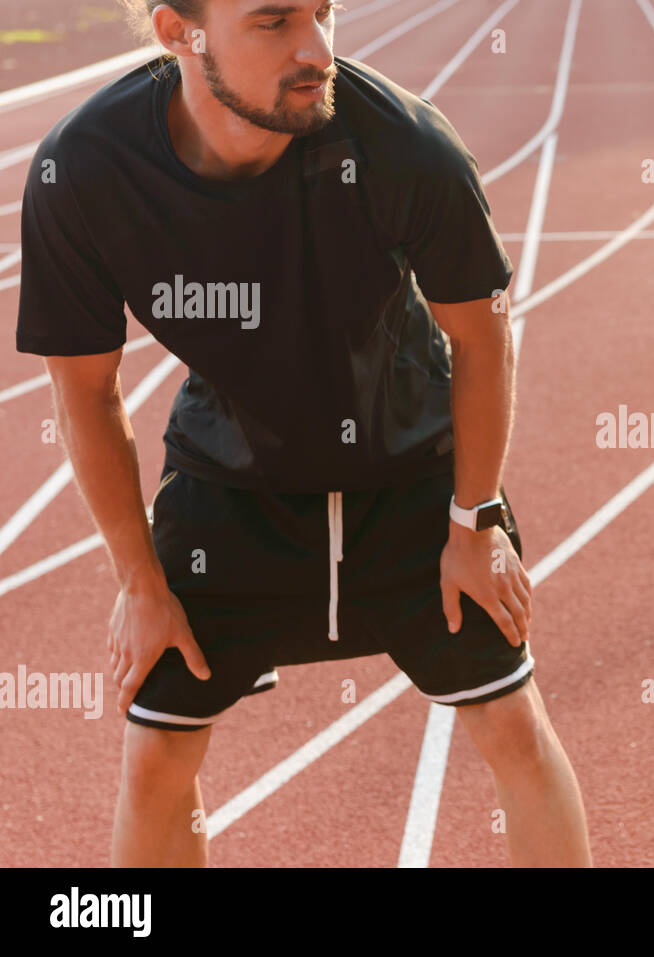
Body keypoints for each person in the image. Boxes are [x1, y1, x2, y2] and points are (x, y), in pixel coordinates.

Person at [16, 0, 590, 867]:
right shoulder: (86, 170)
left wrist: (474, 521)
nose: (315, 47)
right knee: (155, 756)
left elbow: (480, 335)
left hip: (415, 477)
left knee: (512, 723)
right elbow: (87, 394)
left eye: (324, 10)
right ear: (181, 32)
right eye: (275, 19)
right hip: (231, 483)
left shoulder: (403, 146)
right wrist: (141, 582)